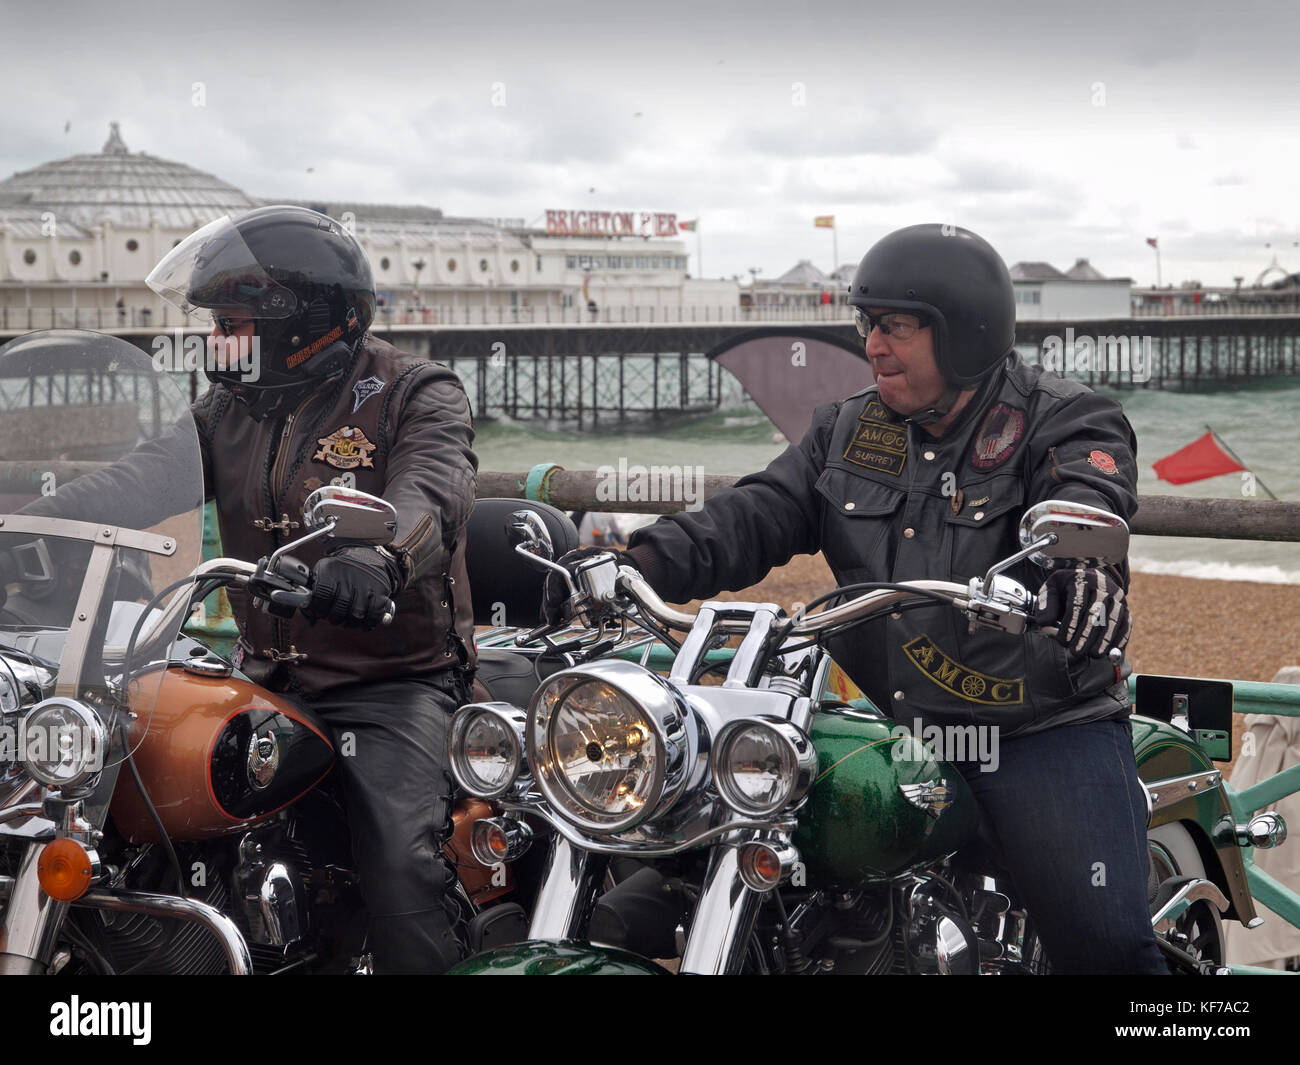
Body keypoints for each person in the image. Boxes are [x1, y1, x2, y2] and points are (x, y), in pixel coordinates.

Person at [545, 223, 1166, 974]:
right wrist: (634, 562)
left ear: (965, 331)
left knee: (1105, 945)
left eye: (897, 326)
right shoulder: (846, 431)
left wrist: (1083, 568)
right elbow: (755, 514)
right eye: (868, 324)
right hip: (884, 723)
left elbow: (1089, 492)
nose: (873, 344)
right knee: (693, 845)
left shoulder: (1062, 418)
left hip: (1032, 729)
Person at [14, 206, 478, 973]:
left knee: (402, 867)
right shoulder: (227, 410)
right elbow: (133, 483)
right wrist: (28, 528)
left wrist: (379, 560)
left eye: (236, 320)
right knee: (116, 811)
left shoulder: (414, 393)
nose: (219, 336)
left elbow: (435, 493)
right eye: (216, 320)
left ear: (310, 322)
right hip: (264, 673)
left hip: (390, 680)